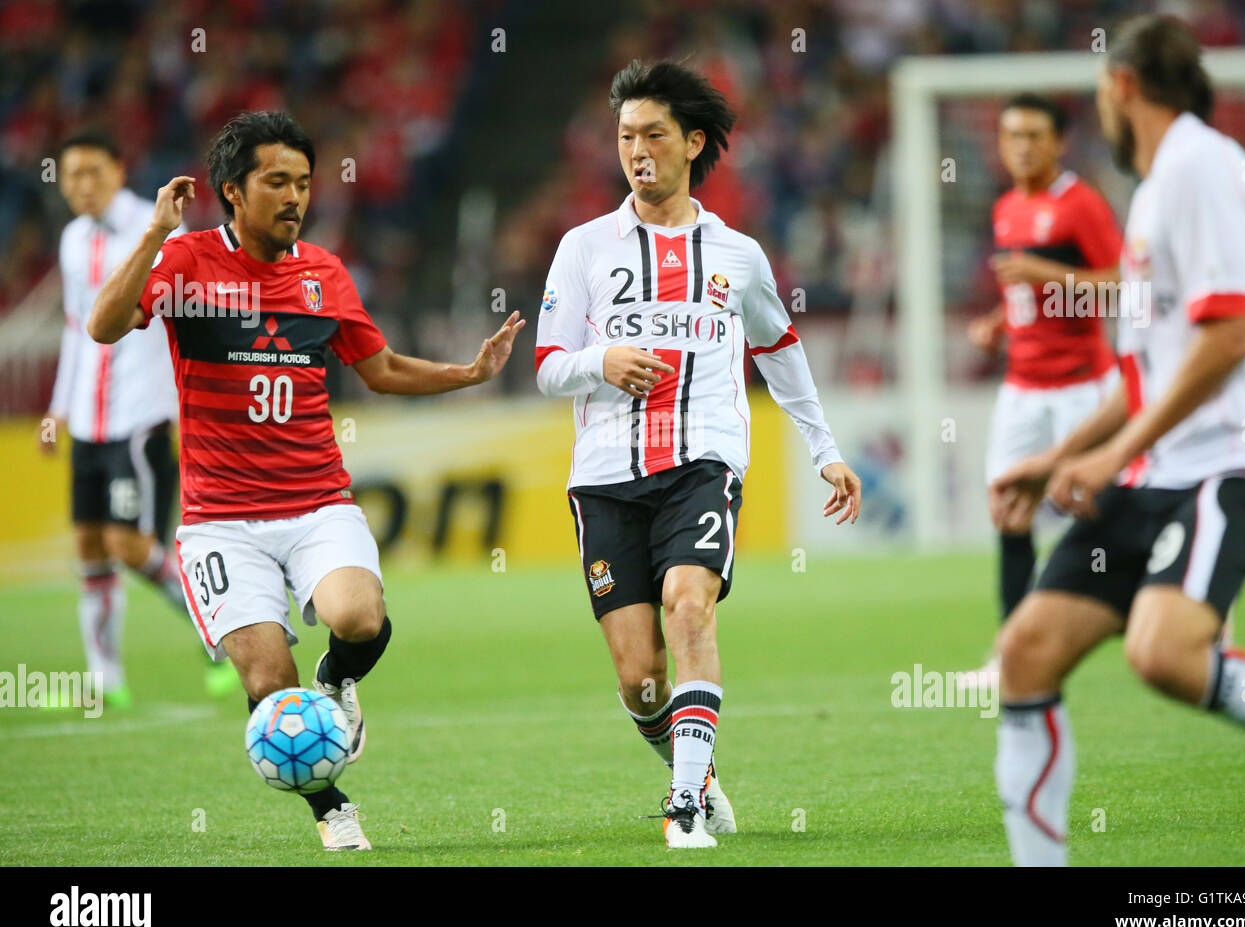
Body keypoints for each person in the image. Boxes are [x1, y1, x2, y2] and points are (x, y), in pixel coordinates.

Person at [87, 111, 524, 851]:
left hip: (317, 500)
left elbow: (379, 368)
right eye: (277, 182)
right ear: (232, 190)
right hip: (220, 519)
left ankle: (337, 677)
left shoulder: (323, 272)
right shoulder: (188, 263)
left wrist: (470, 373)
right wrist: (154, 233)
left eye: (303, 183)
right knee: (265, 679)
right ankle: (331, 808)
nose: (295, 197)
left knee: (359, 619)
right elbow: (103, 324)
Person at [991, 15, 1245, 866]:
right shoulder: (1159, 189)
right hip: (1168, 458)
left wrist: (1102, 455)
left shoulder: (1198, 166)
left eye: (1100, 96)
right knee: (1026, 650)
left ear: (1123, 87)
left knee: (1163, 652)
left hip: (1235, 458)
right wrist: (1056, 461)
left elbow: (1227, 339)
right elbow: (1142, 381)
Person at [535, 61, 862, 849]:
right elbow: (547, 366)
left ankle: (682, 804)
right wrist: (598, 362)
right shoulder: (582, 248)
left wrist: (825, 448)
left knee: (691, 602)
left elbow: (779, 348)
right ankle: (697, 771)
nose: (637, 151)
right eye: (625, 137)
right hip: (606, 478)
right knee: (639, 678)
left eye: (653, 135)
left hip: (701, 464)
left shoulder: (737, 255)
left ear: (693, 143)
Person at [43, 128, 239, 707]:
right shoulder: (73, 240)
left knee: (132, 545)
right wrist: (58, 407)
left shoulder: (158, 228)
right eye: (70, 175)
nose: (80, 186)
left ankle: (224, 635)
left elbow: (187, 313)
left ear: (118, 170)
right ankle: (105, 681)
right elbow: (77, 330)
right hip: (88, 419)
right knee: (90, 547)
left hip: (141, 417)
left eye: (91, 173)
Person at [965, 95, 1124, 684]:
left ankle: (1167, 610)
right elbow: (1027, 298)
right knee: (1009, 508)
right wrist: (998, 324)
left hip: (1083, 386)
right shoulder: (1007, 207)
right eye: (1011, 136)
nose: (1021, 147)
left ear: (1059, 142)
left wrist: (1044, 274)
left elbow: (1121, 288)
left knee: (1106, 511)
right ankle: (1012, 656)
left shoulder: (1081, 205)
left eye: (1034, 135)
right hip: (1022, 388)